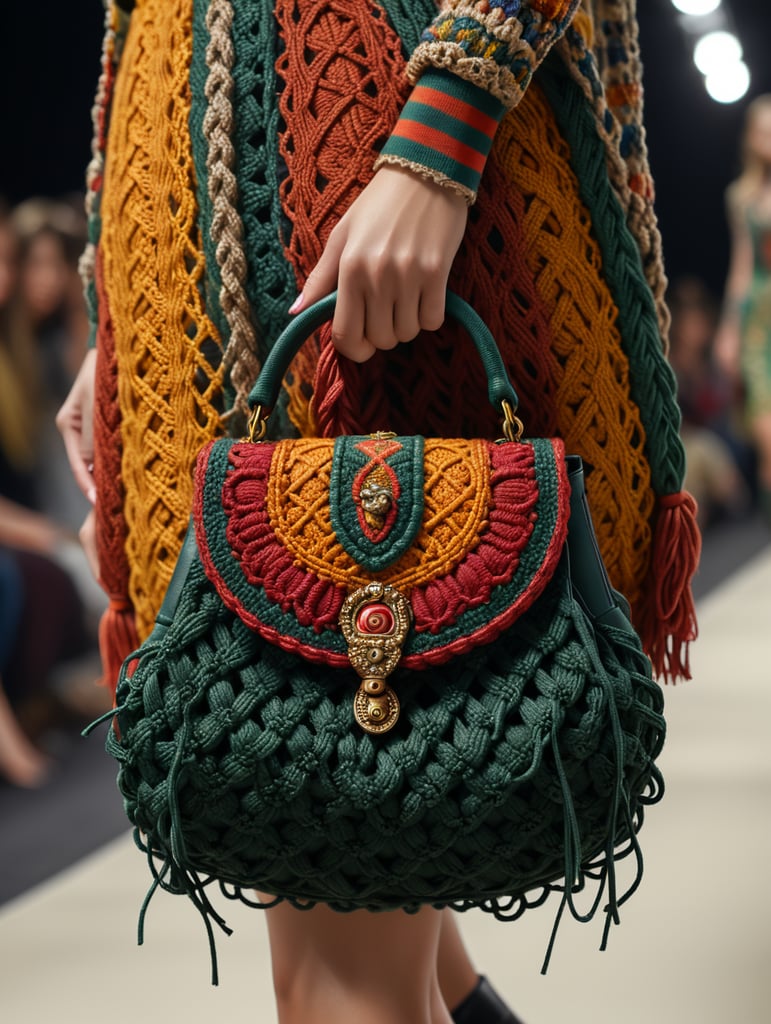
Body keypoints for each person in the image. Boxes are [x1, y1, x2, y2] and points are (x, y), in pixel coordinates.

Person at [58, 2, 699, 1022]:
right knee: (351, 879)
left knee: (339, 971)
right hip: (193, 223)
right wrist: (117, 316)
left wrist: (443, 128)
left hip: (368, 158)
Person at [715, 93, 771, 523]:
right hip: (759, 319)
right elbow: (742, 266)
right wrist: (729, 330)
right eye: (762, 130)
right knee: (765, 427)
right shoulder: (742, 196)